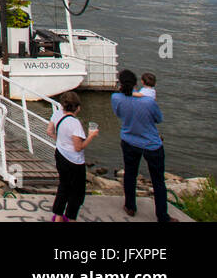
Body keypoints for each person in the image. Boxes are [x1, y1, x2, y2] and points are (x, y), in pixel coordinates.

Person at [111, 69, 172, 222]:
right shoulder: (148, 102)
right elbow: (158, 119)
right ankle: (162, 216)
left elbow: (118, 114)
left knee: (130, 174)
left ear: (120, 84)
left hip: (129, 140)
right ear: (137, 84)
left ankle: (130, 206)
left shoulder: (116, 98)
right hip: (151, 143)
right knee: (158, 181)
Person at [46, 91, 96, 222]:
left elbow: (49, 131)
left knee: (63, 186)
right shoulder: (75, 124)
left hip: (60, 154)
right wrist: (91, 136)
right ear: (78, 107)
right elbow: (78, 147)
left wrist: (60, 140)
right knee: (77, 192)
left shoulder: (57, 114)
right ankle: (71, 217)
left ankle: (58, 216)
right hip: (74, 161)